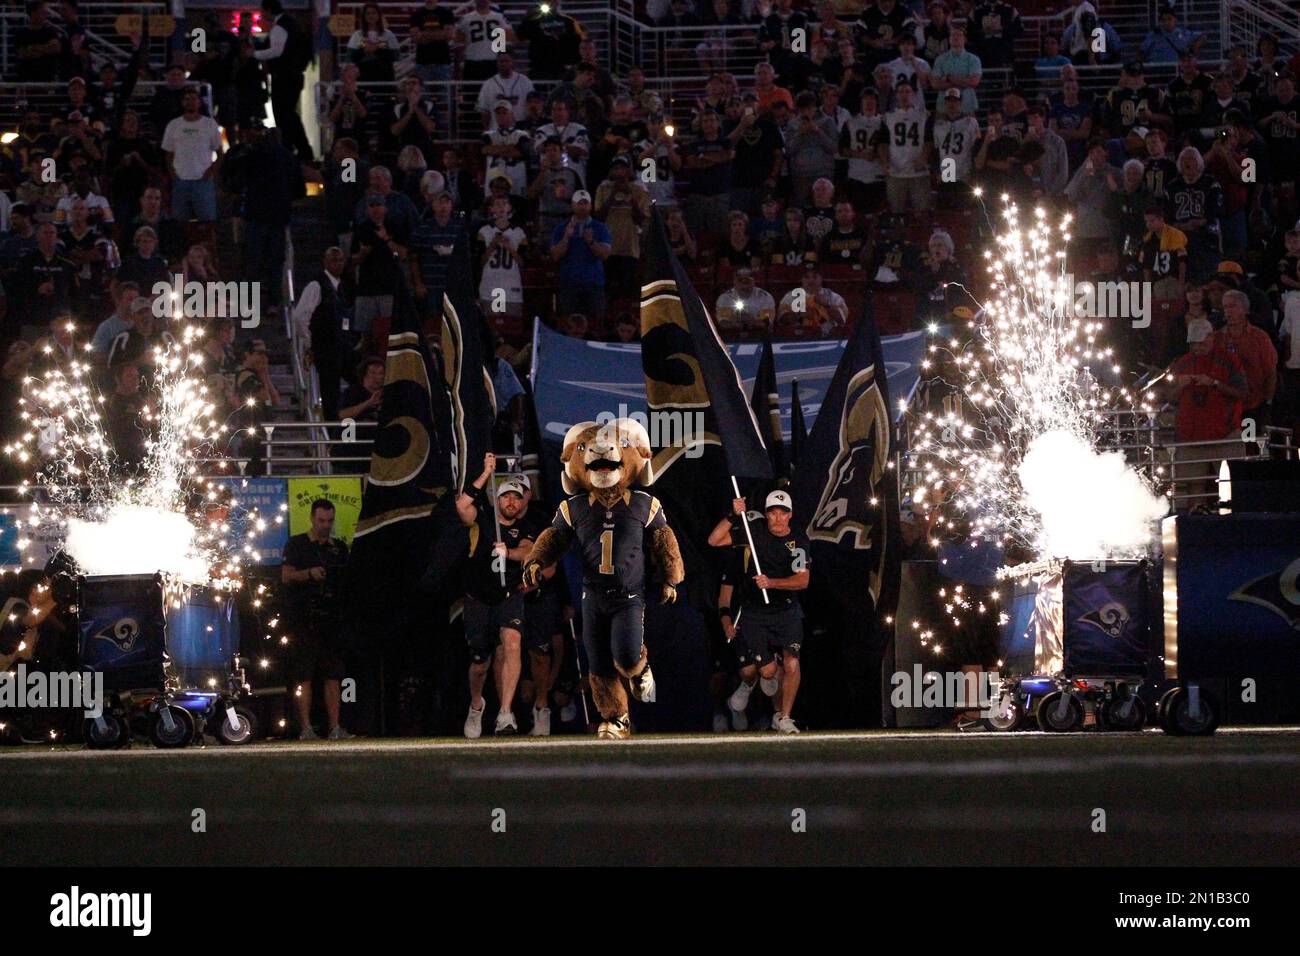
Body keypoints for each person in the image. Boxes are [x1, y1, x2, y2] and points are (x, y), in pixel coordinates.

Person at [707, 491, 810, 734]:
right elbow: (714, 540)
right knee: (767, 671)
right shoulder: (755, 533)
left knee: (792, 663)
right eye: (773, 512)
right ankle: (757, 682)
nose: (777, 518)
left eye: (783, 513)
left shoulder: (798, 541)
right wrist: (733, 514)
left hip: (786, 610)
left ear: (790, 515)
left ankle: (784, 717)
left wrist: (771, 583)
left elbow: (803, 580)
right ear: (766, 514)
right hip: (755, 613)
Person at [456, 455, 532, 737]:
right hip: (478, 597)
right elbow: (462, 506)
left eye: (517, 498)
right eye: (506, 496)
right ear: (498, 498)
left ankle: (505, 713)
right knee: (480, 663)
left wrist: (509, 553)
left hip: (508, 596)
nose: (511, 502)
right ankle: (477, 705)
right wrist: (485, 472)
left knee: (512, 643)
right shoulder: (484, 519)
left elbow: (529, 551)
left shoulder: (525, 526)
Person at [281, 500, 354, 740]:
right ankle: (305, 728)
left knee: (333, 675)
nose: (325, 525)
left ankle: (334, 727)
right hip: (303, 618)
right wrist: (309, 574)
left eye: (329, 521)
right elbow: (286, 576)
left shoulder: (339, 548)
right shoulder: (297, 544)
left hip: (331, 618)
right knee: (304, 675)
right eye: (321, 520)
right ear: (312, 518)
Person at [293, 247, 354, 422]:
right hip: (326, 349)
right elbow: (299, 316)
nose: (338, 264)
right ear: (325, 262)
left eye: (341, 260)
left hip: (341, 346)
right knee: (329, 392)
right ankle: (330, 429)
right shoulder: (316, 285)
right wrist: (312, 341)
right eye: (334, 260)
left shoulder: (341, 286)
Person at [1213, 289, 1278, 432]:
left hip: (1253, 405)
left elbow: (1270, 372)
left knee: (1252, 446)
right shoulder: (1216, 338)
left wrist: (1267, 403)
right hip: (1225, 407)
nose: (1228, 311)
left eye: (1233, 306)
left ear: (1245, 309)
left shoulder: (1259, 337)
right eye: (1225, 307)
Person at [161, 88, 223, 230]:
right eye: (187, 99)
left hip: (203, 180)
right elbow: (168, 153)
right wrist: (173, 175)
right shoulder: (173, 125)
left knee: (207, 222)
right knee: (179, 223)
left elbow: (220, 153)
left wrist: (211, 171)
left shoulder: (209, 124)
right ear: (182, 103)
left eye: (193, 98)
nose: (190, 102)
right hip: (180, 180)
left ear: (199, 102)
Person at [550, 190, 611, 326]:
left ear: (590, 205)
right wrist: (566, 237)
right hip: (569, 285)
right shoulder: (561, 228)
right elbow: (555, 255)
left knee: (595, 325)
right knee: (569, 326)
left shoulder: (600, 228)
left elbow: (605, 254)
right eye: (579, 203)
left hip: (593, 285)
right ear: (572, 205)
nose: (582, 206)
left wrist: (591, 242)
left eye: (585, 203)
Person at [716, 266, 776, 334]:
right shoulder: (725, 298)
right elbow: (723, 323)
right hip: (732, 338)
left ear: (754, 280)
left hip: (759, 337)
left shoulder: (765, 297)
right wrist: (735, 324)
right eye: (740, 279)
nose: (744, 281)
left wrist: (751, 321)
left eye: (747, 279)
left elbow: (766, 324)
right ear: (734, 280)